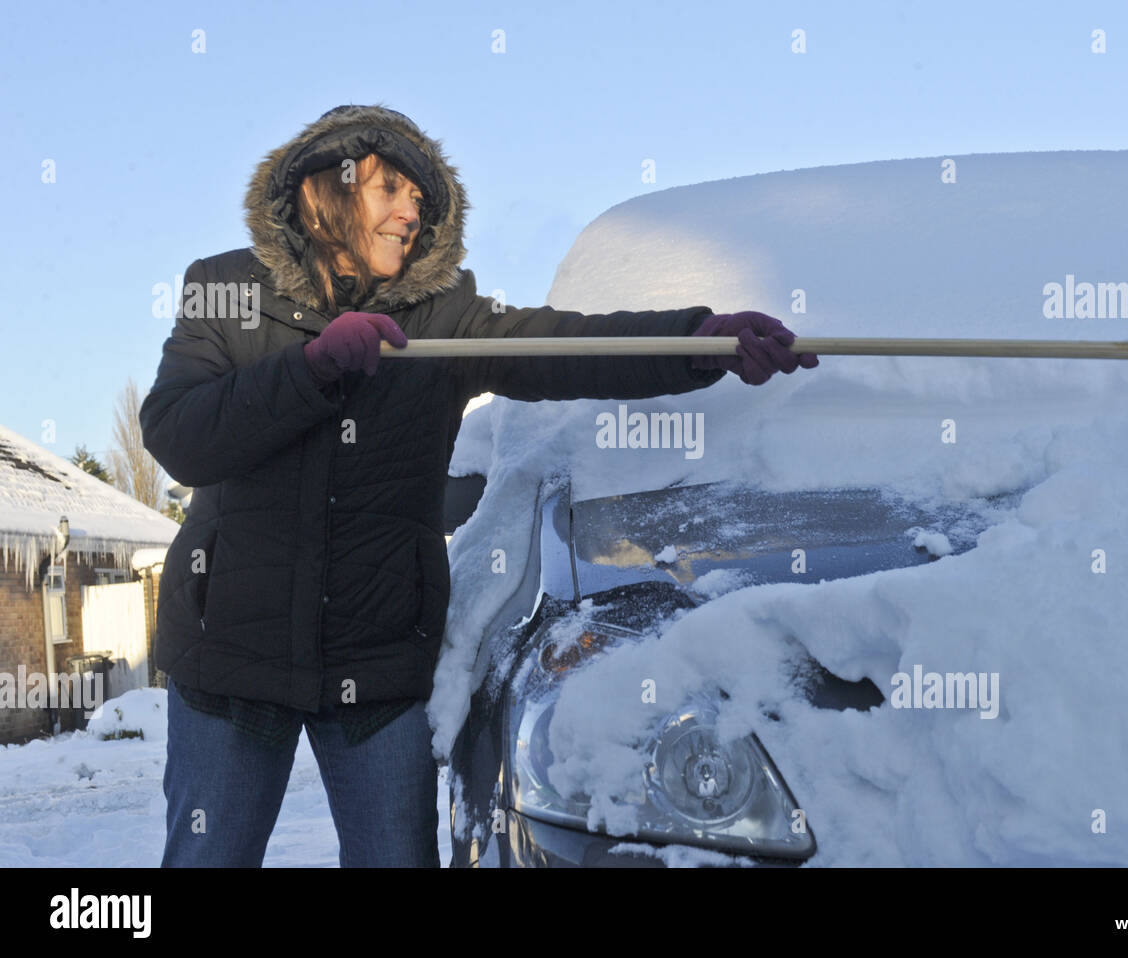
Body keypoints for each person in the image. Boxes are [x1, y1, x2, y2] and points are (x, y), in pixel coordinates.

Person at [141, 104, 818, 868]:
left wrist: (697, 341)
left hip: (377, 657)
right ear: (324, 191)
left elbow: (565, 348)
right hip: (229, 652)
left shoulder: (444, 317)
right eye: (391, 189)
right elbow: (177, 436)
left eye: (420, 200)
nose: (410, 211)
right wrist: (310, 369)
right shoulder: (224, 289)